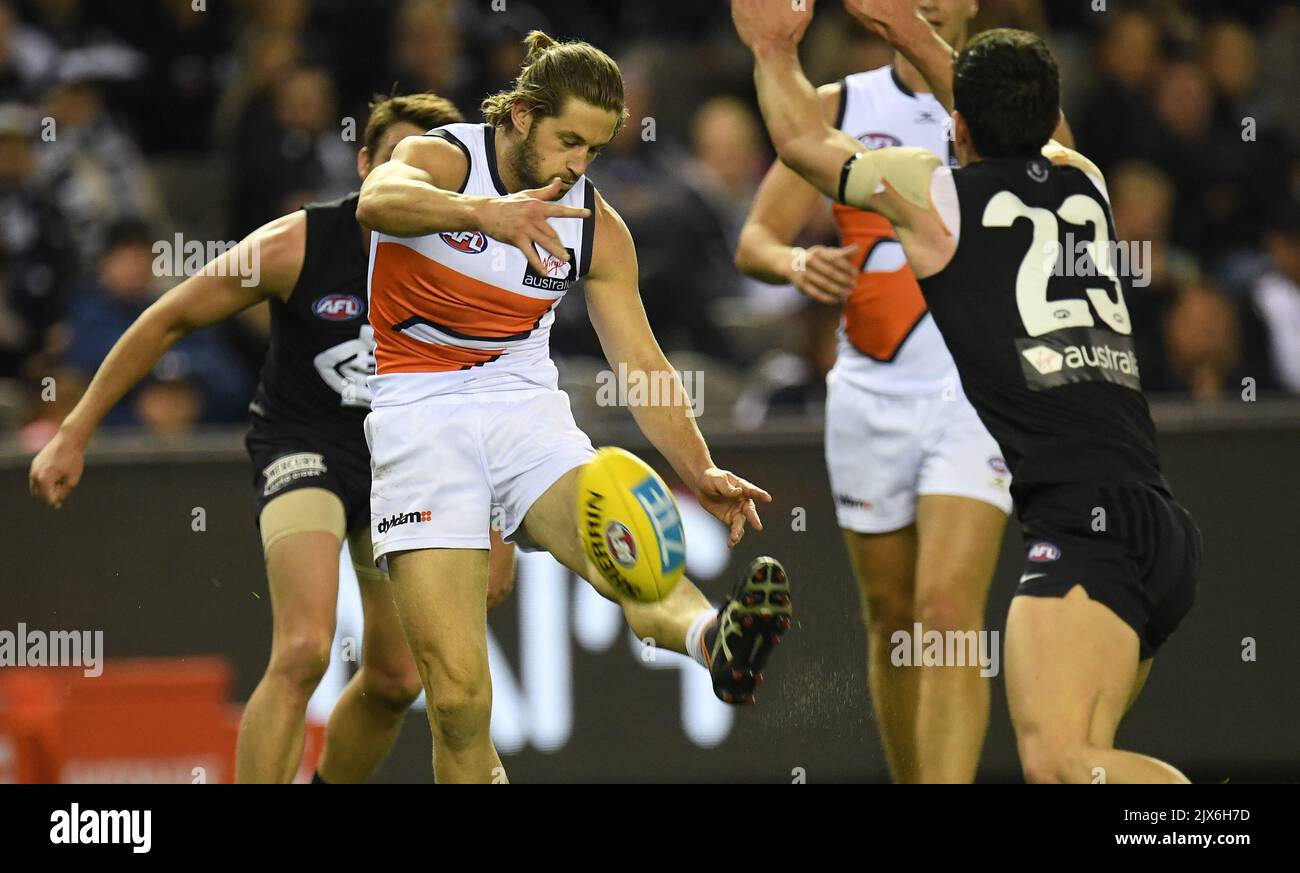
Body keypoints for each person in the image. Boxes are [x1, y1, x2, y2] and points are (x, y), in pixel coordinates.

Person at [731, 0, 1200, 782]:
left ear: (956, 131)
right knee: (1081, 765)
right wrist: (916, 32)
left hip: (1085, 530)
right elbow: (1011, 117)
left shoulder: (940, 202)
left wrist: (772, 48)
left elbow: (800, 142)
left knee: (1059, 764)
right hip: (1154, 521)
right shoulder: (1084, 180)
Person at [29, 92, 518, 784]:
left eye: (431, 173)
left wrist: (496, 518)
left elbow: (485, 393)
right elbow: (168, 318)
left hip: (400, 462)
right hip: (304, 445)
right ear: (364, 167)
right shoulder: (299, 245)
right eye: (397, 165)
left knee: (396, 677)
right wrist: (74, 429)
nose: (412, 186)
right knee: (304, 649)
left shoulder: (466, 266)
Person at [356, 31, 793, 783]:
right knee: (460, 701)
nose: (577, 167)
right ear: (522, 115)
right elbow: (376, 200)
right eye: (567, 142)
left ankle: (712, 638)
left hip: (524, 406)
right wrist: (488, 215)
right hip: (419, 408)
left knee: (626, 555)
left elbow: (643, 366)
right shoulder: (443, 158)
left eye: (593, 150)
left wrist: (702, 466)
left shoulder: (594, 227)